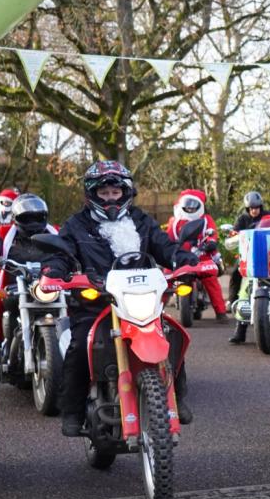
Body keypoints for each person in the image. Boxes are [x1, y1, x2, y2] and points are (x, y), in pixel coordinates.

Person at [41, 161, 199, 438]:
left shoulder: (141, 220)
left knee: (170, 333)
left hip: (142, 299)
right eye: (104, 193)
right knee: (80, 346)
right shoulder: (77, 225)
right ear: (92, 194)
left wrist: (186, 261)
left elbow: (165, 246)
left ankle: (179, 397)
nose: (111, 198)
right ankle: (73, 411)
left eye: (116, 192)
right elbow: (61, 254)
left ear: (126, 192)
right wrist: (54, 272)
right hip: (96, 302)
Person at [0, 194, 59, 347]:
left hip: (50, 285)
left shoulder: (57, 233)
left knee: (77, 303)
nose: (32, 222)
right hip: (12, 287)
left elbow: (71, 248)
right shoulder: (3, 233)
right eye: (27, 218)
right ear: (16, 217)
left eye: (37, 217)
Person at [167, 189, 228, 320]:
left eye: (194, 204)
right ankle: (155, 312)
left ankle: (221, 312)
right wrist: (167, 248)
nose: (190, 208)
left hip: (201, 255)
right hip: (180, 257)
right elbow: (168, 238)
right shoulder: (175, 221)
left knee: (210, 280)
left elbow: (212, 235)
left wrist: (211, 243)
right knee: (164, 278)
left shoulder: (206, 220)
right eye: (187, 204)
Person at [228, 191, 270, 305]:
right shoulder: (242, 219)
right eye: (251, 208)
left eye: (256, 207)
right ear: (247, 209)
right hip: (248, 254)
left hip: (267, 253)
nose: (254, 210)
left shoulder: (268, 216)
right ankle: (232, 301)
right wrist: (234, 235)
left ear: (260, 207)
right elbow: (234, 233)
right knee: (235, 272)